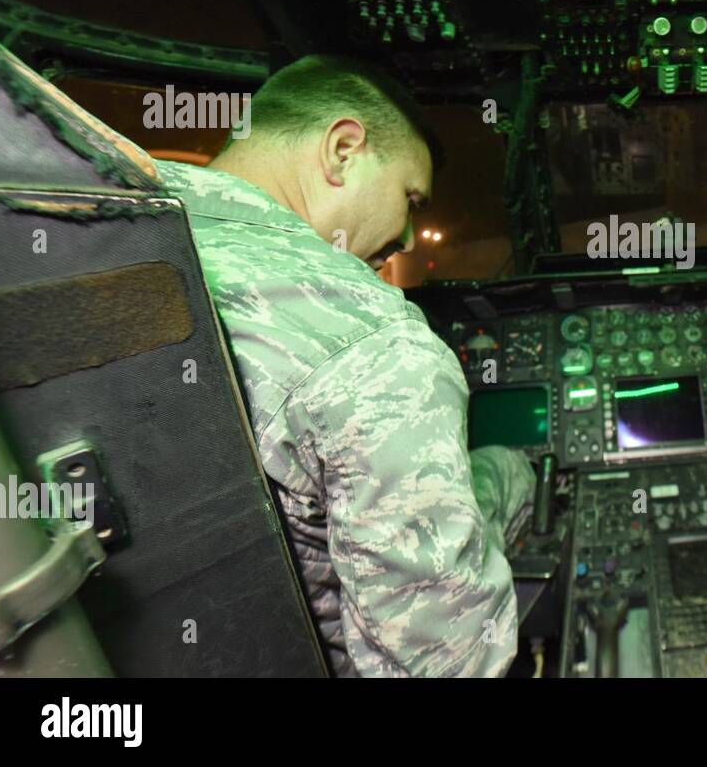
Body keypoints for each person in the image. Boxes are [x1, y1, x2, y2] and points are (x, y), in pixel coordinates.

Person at [156, 55, 535, 676]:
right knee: (506, 468)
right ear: (343, 150)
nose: (411, 238)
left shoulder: (99, 228)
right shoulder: (375, 343)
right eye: (410, 199)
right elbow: (448, 664)